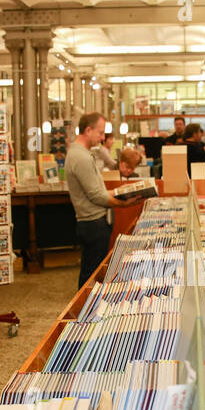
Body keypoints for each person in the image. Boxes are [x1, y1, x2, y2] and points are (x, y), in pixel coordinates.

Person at [65, 112, 143, 288]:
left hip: (92, 222)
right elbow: (97, 196)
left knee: (91, 272)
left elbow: (97, 191)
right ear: (88, 130)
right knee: (92, 276)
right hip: (93, 224)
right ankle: (86, 305)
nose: (102, 138)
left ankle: (86, 303)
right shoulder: (81, 157)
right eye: (100, 133)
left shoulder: (81, 154)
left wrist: (120, 191)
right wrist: (124, 203)